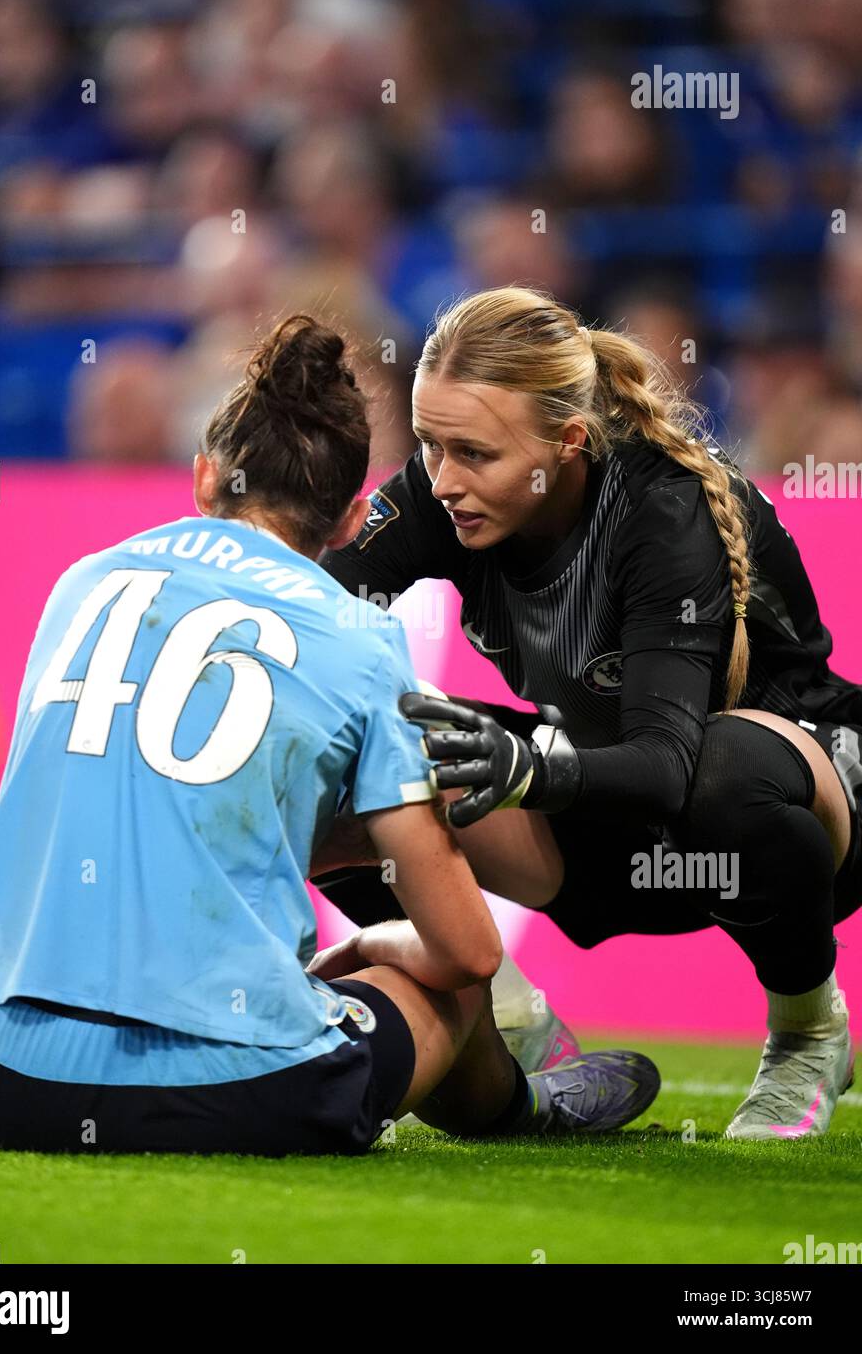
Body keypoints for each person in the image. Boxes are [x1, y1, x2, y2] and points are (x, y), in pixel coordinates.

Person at [0, 314, 659, 1156]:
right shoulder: (359, 638)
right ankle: (520, 1110)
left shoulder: (83, 583)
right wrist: (370, 943)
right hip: (234, 1095)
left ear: (206, 479)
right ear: (353, 520)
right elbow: (466, 950)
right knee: (453, 990)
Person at [315, 286, 862, 1141]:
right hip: (607, 806)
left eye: (474, 454)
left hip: (781, 813)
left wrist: (530, 771)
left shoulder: (662, 511)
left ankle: (807, 1031)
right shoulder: (440, 489)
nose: (444, 479)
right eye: (427, 446)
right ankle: (506, 1025)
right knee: (333, 750)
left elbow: (669, 763)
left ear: (566, 442)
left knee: (723, 772)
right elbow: (311, 617)